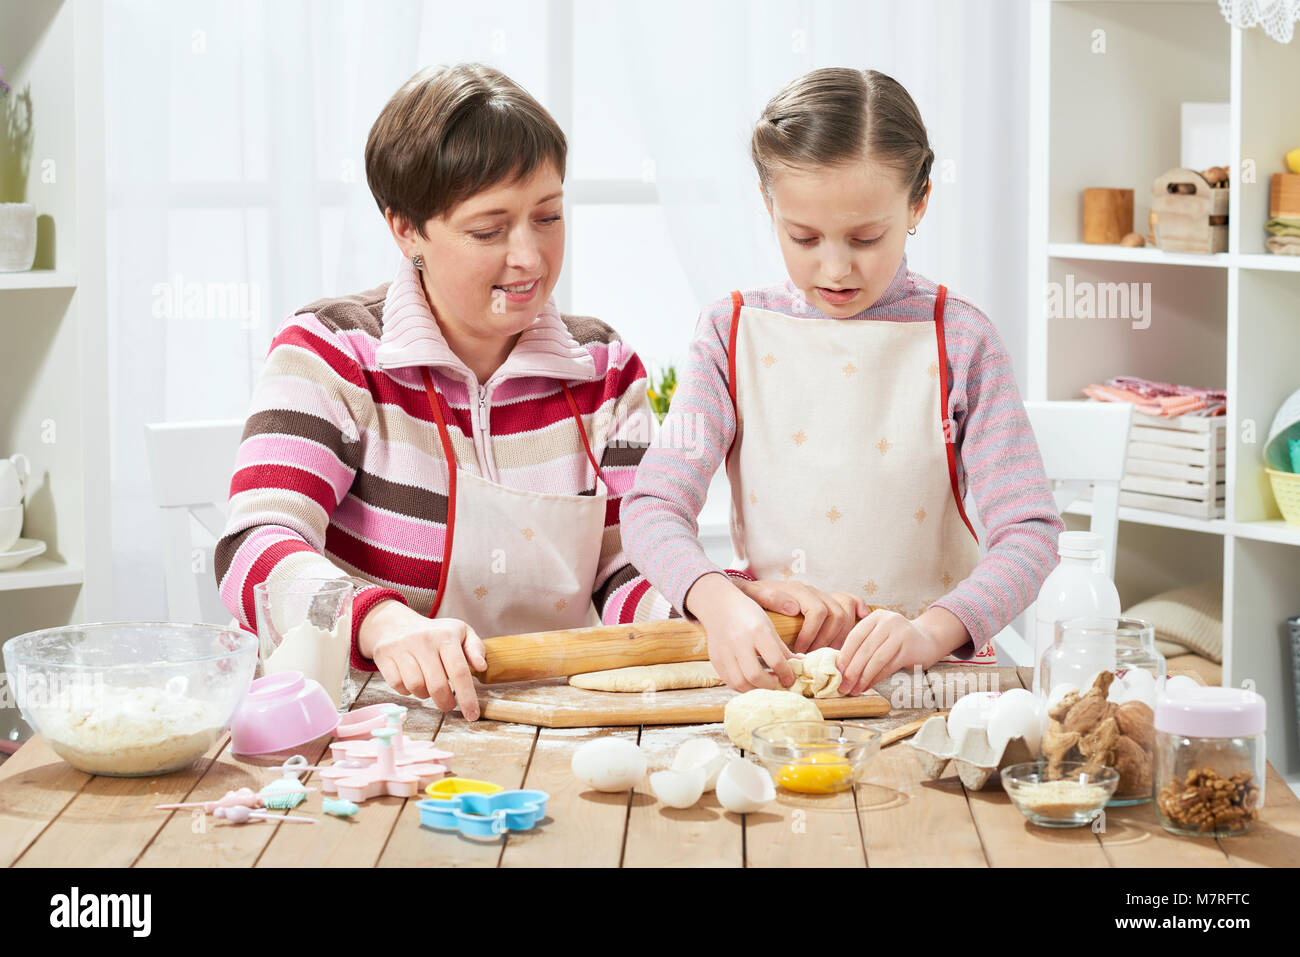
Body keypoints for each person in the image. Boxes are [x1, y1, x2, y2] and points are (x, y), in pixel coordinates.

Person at [216, 63, 860, 720]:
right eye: (489, 230)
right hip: (372, 726)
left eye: (547, 217)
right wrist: (383, 625)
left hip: (548, 724)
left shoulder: (603, 368)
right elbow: (255, 548)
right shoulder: (334, 350)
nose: (529, 257)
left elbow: (623, 573)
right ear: (405, 228)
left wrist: (716, 599)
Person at [621, 68, 1066, 695]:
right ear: (768, 204)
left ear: (918, 203)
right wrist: (717, 601)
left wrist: (931, 632)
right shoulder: (731, 332)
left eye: (865, 237)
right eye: (803, 237)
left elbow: (1030, 532)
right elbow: (652, 508)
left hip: (931, 684)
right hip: (776, 676)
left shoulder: (961, 340)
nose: (833, 268)